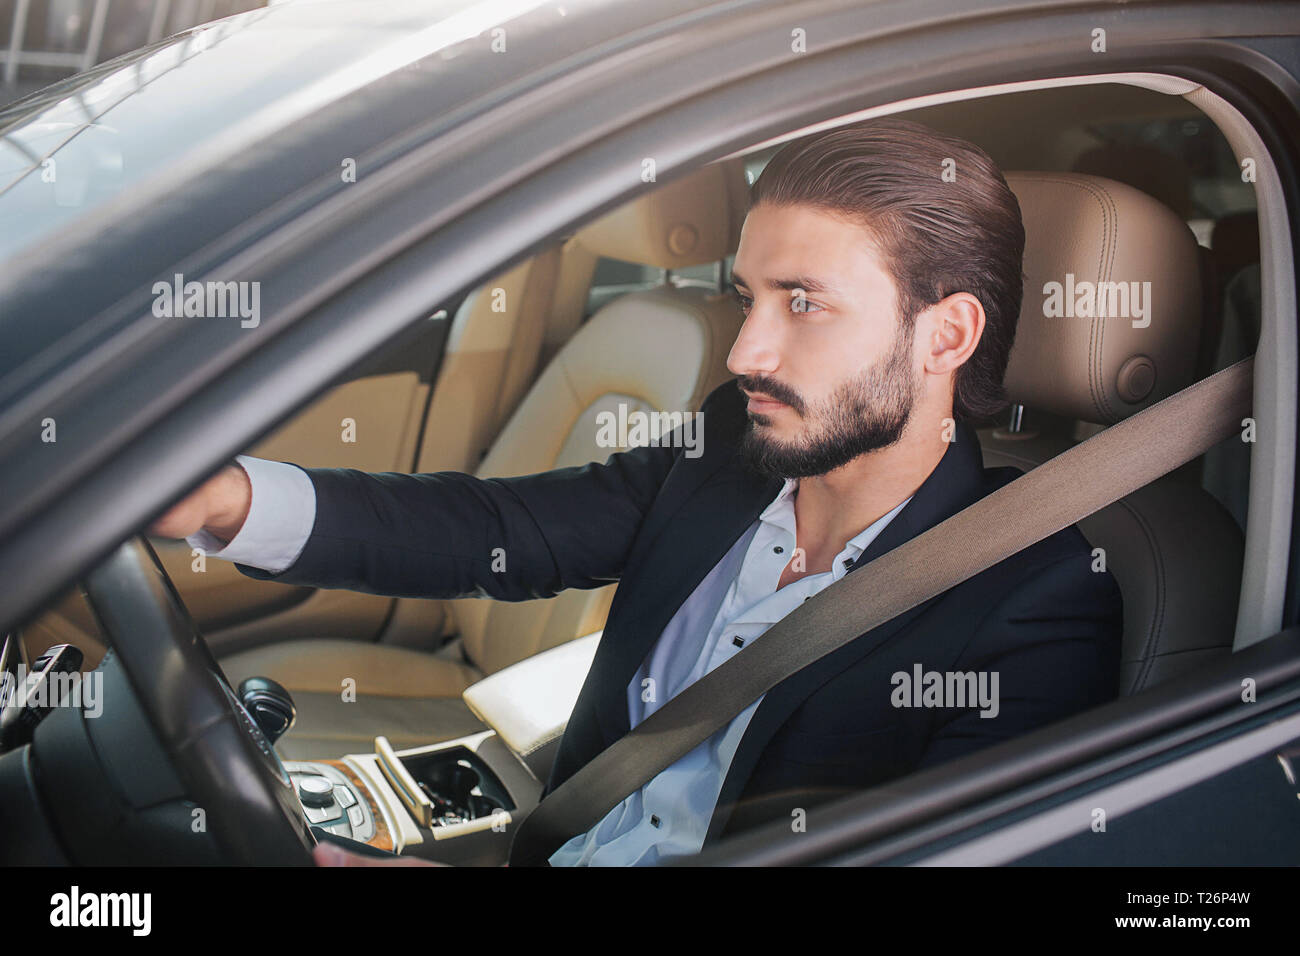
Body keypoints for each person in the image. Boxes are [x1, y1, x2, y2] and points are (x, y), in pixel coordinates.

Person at [150, 118, 1124, 867]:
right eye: (748, 295)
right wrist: (224, 500)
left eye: (805, 302)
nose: (746, 350)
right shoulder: (728, 446)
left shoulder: (1035, 602)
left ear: (944, 336)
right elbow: (498, 529)